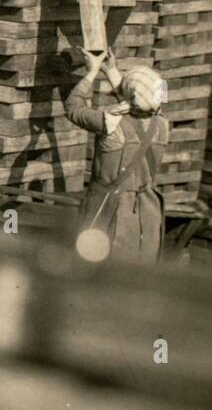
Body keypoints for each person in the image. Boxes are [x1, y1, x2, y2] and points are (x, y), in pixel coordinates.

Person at [66, 49, 169, 263]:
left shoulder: (111, 123)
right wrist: (112, 70)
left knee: (94, 268)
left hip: (108, 210)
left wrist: (92, 72)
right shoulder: (163, 124)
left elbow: (73, 108)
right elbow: (140, 100)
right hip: (145, 213)